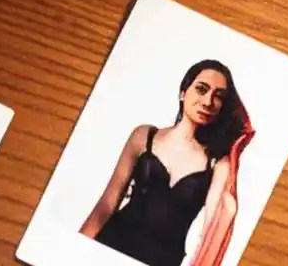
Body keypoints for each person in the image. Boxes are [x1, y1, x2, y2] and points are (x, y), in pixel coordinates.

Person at [81, 60, 254, 266]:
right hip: (110, 246)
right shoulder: (144, 135)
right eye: (201, 89)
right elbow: (107, 204)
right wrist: (74, 248)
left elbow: (210, 232)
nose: (208, 101)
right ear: (183, 92)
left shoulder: (218, 165)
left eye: (219, 96)